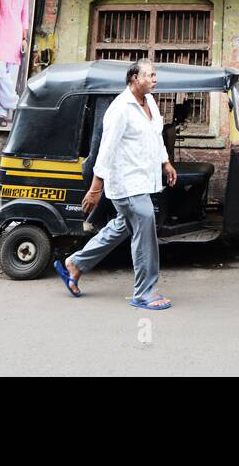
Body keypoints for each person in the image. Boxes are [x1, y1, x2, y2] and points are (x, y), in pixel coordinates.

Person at [55, 58, 177, 309]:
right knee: (144, 229)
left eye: (155, 75)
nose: (154, 80)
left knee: (122, 226)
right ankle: (144, 293)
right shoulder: (120, 108)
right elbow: (106, 150)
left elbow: (155, 136)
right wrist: (96, 188)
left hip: (143, 181)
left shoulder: (150, 102)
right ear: (134, 78)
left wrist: (165, 162)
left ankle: (76, 264)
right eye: (149, 75)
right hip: (127, 184)